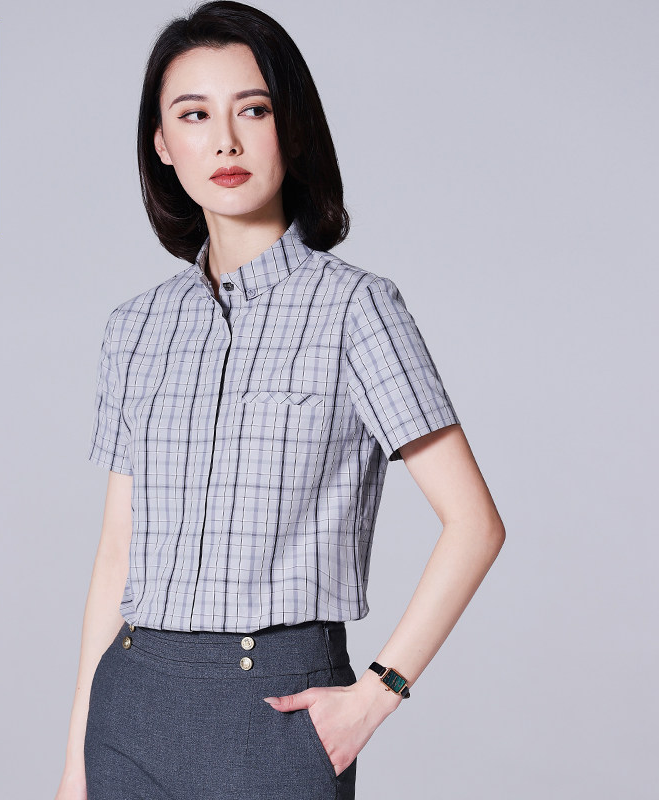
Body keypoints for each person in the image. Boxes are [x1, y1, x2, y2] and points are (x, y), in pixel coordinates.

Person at [54, 2, 506, 799]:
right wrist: (74, 764)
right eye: (194, 114)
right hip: (129, 710)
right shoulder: (136, 327)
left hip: (274, 716)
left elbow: (475, 524)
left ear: (290, 128)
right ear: (162, 143)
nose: (224, 142)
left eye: (253, 110)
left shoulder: (356, 309)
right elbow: (116, 555)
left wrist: (377, 695)